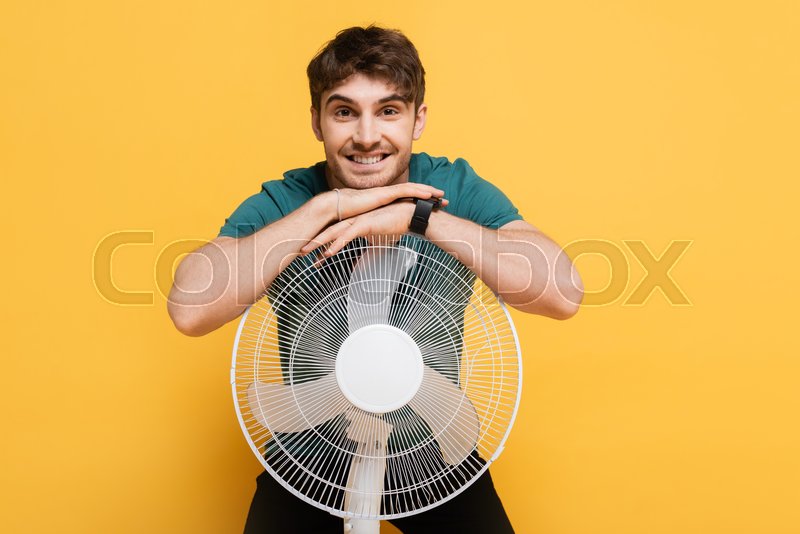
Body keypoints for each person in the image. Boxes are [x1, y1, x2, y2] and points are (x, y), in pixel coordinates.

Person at [168, 25, 583, 533]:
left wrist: (419, 218)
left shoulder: (451, 187)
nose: (367, 136)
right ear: (317, 122)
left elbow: (563, 292)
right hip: (309, 457)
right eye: (344, 112)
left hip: (432, 453)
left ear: (418, 119)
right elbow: (189, 308)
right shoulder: (288, 200)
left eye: (388, 110)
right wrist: (326, 208)